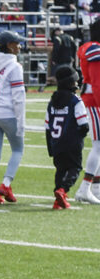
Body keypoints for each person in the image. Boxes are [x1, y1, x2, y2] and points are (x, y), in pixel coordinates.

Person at [0, 30, 26, 205]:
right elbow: (19, 97)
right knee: (18, 149)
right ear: (9, 45)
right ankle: (6, 184)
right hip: (7, 113)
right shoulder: (15, 66)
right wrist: (21, 121)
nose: (20, 46)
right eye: (17, 43)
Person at [46, 65, 90, 209]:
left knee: (60, 169)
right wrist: (81, 137)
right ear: (72, 82)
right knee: (75, 168)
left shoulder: (52, 101)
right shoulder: (75, 101)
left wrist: (50, 146)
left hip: (56, 142)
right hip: (72, 142)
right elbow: (83, 124)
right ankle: (63, 190)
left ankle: (57, 197)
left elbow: (47, 126)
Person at [75, 20, 100, 203]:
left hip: (93, 101)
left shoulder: (92, 48)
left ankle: (96, 188)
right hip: (95, 102)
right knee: (98, 146)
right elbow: (98, 82)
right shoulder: (95, 51)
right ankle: (85, 187)